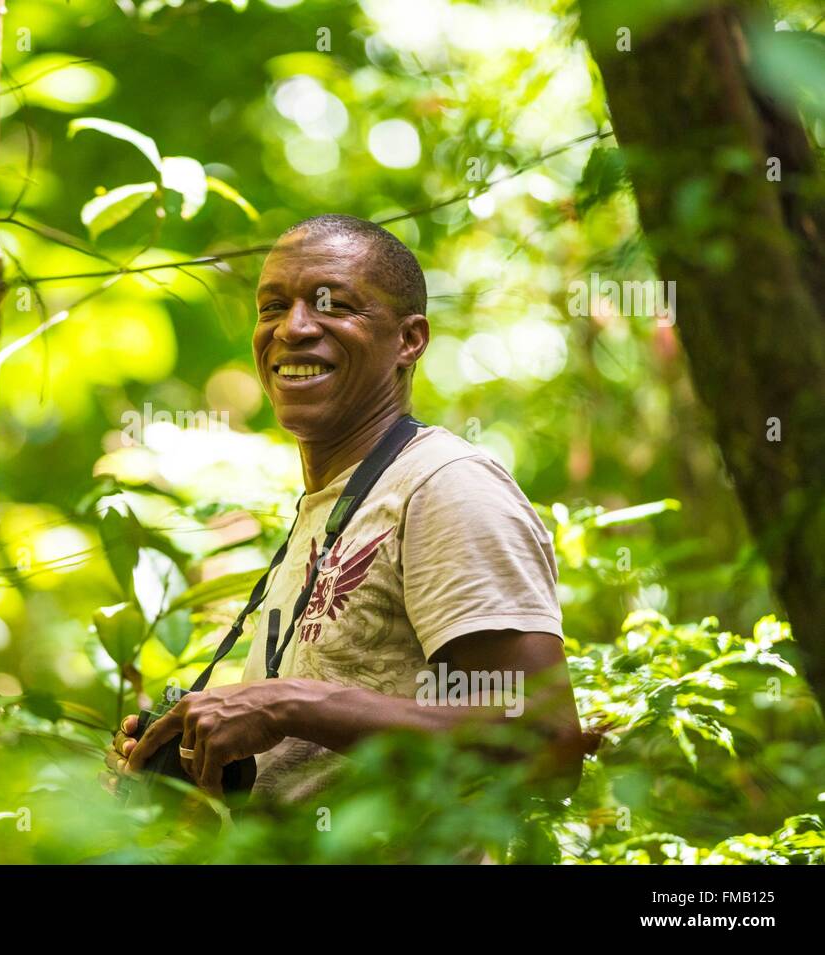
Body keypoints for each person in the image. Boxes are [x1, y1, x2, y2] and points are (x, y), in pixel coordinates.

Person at [105, 214, 584, 805]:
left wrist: (291, 704)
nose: (294, 328)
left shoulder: (443, 485)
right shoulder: (332, 502)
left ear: (409, 340)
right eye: (272, 306)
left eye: (332, 305)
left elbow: (548, 743)